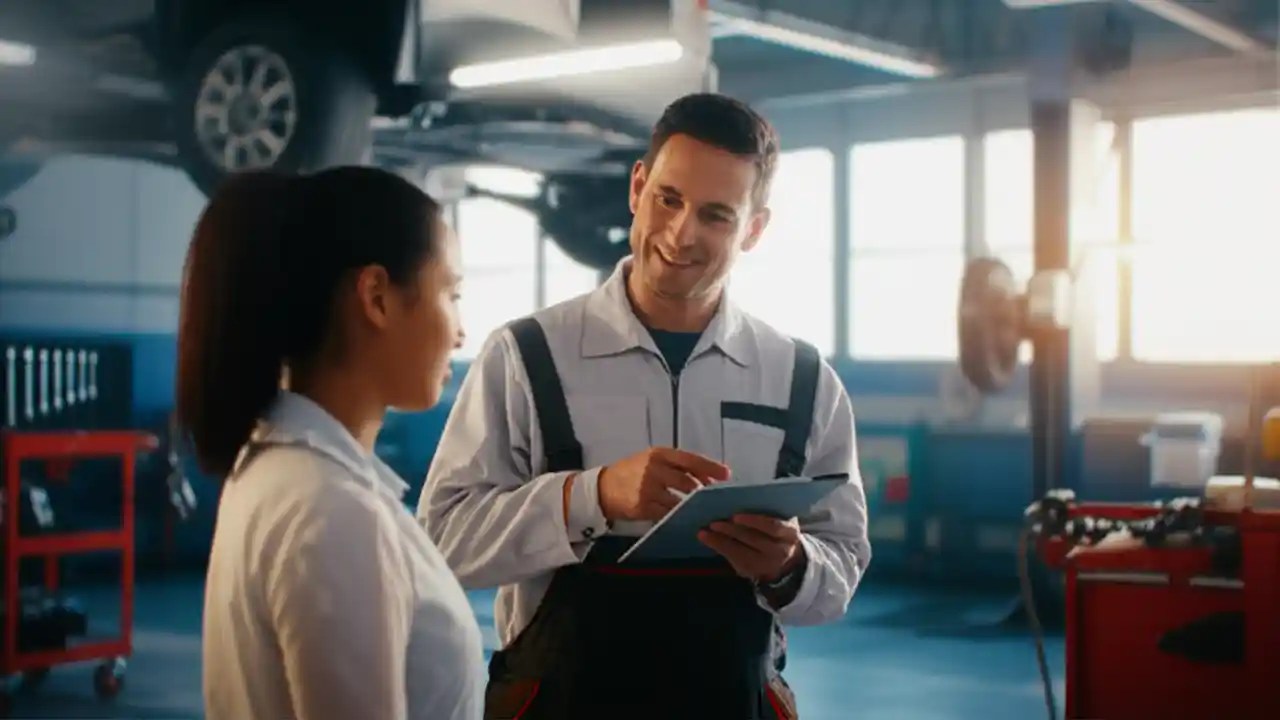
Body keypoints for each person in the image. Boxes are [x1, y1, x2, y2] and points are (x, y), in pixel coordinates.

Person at [419, 93, 871, 719]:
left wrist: (792, 564)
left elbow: (843, 561)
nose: (682, 233)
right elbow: (441, 541)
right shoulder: (526, 356)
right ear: (638, 187)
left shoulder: (802, 379)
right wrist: (592, 496)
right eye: (669, 199)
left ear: (754, 229)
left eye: (716, 215)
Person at [176, 166, 484, 720]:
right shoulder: (336, 510)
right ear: (377, 297)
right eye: (452, 293)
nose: (461, 332)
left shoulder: (275, 471)